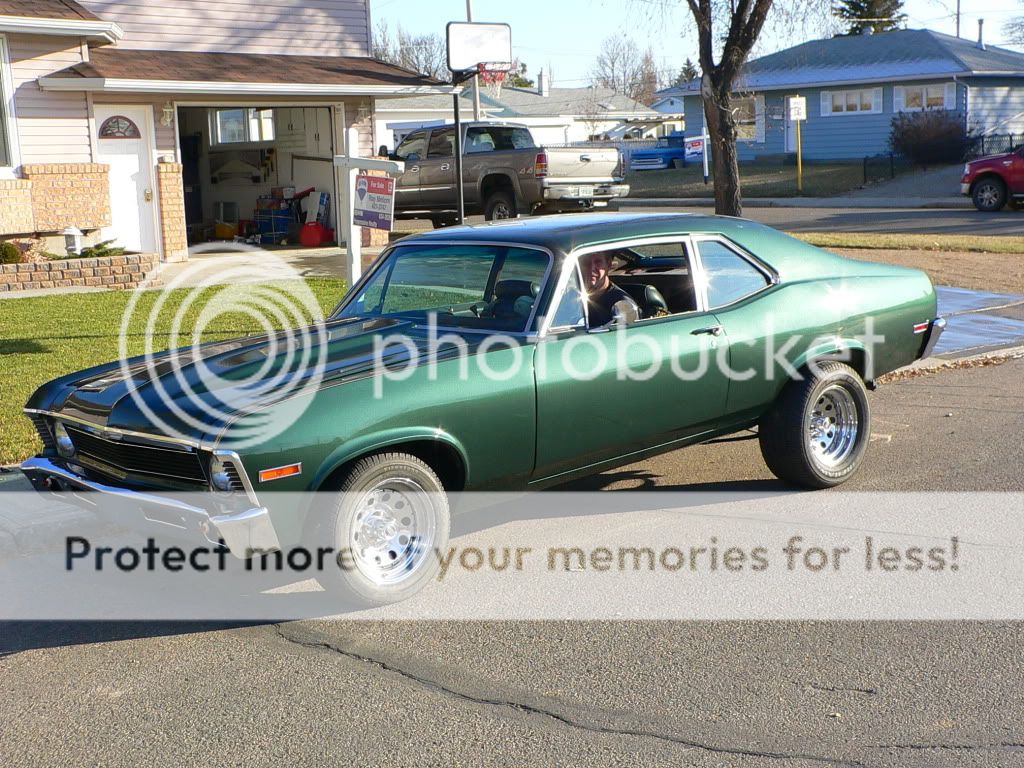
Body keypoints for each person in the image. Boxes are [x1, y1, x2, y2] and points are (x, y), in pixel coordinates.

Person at [580, 252, 639, 327]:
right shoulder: (573, 297)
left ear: (608, 264)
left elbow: (629, 333)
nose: (591, 268)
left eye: (598, 262)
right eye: (586, 262)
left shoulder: (623, 304)